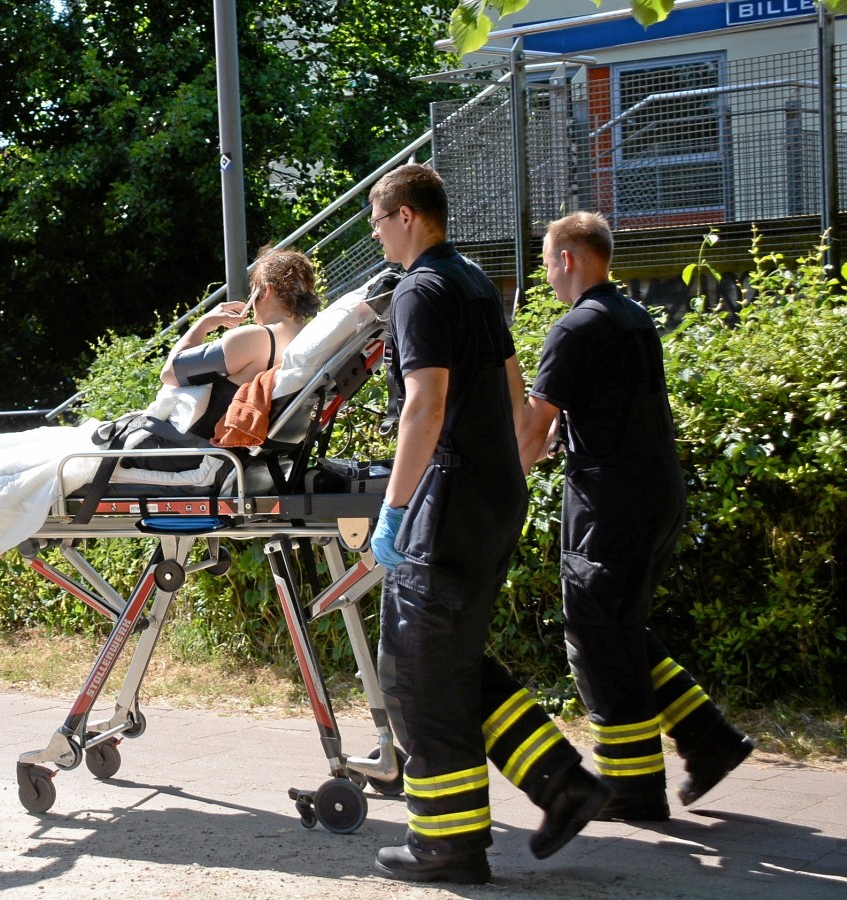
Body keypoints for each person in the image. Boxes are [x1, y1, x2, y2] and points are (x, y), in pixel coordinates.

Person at [366, 165, 611, 884]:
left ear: (407, 216)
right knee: (453, 659)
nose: (376, 233)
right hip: (493, 493)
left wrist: (395, 509)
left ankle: (448, 845)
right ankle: (563, 785)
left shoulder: (418, 290)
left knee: (414, 671)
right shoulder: (473, 280)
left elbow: (425, 407)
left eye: (379, 220)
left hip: (447, 500)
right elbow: (513, 390)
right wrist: (505, 476)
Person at [517, 212, 754, 821]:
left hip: (608, 504)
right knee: (620, 626)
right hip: (655, 494)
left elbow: (533, 431)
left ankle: (634, 788)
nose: (545, 273)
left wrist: (495, 485)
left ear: (568, 258)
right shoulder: (633, 317)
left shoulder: (575, 329)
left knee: (597, 636)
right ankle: (709, 738)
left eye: (546, 260)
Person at [159, 245, 320, 437]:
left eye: (253, 291)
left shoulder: (255, 338)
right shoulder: (308, 340)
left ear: (265, 290)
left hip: (190, 449)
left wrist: (203, 324)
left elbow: (169, 373)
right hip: (241, 457)